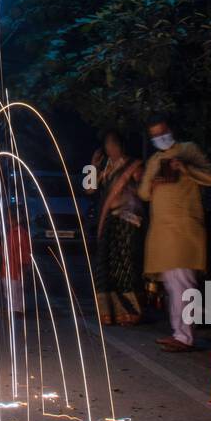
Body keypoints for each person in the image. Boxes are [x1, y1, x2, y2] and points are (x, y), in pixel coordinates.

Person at [136, 112, 211, 351]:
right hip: (163, 232)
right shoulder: (154, 161)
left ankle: (186, 336)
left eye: (163, 133)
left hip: (185, 229)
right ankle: (178, 333)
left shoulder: (189, 150)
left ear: (171, 129)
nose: (160, 138)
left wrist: (186, 168)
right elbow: (142, 194)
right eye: (155, 136)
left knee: (184, 284)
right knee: (173, 286)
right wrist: (152, 183)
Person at [89, 130, 145, 325]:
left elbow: (143, 192)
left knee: (124, 266)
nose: (110, 149)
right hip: (108, 221)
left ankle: (129, 312)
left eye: (113, 145)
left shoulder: (134, 166)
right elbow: (88, 188)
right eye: (107, 146)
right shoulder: (105, 168)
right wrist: (93, 165)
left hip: (127, 221)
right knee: (104, 266)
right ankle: (108, 312)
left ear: (120, 146)